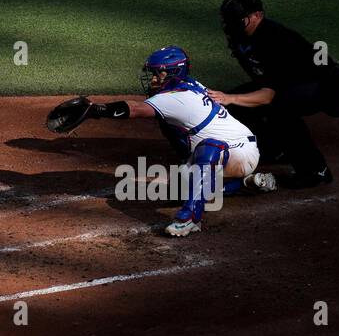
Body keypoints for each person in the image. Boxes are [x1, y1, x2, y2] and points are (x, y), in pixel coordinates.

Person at [85, 46, 275, 236]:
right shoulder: (187, 84)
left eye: (158, 74)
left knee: (209, 146)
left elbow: (135, 109)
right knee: (181, 190)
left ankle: (189, 219)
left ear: (174, 74)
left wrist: (96, 110)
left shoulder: (175, 99)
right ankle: (247, 183)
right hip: (229, 153)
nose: (153, 79)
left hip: (240, 151)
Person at [206, 0, 339, 188]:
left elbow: (268, 95)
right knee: (238, 107)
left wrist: (230, 97)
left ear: (258, 15)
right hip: (291, 81)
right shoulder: (240, 33)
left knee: (280, 110)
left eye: (240, 19)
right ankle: (275, 148)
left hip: (323, 84)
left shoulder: (276, 40)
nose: (232, 24)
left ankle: (315, 170)